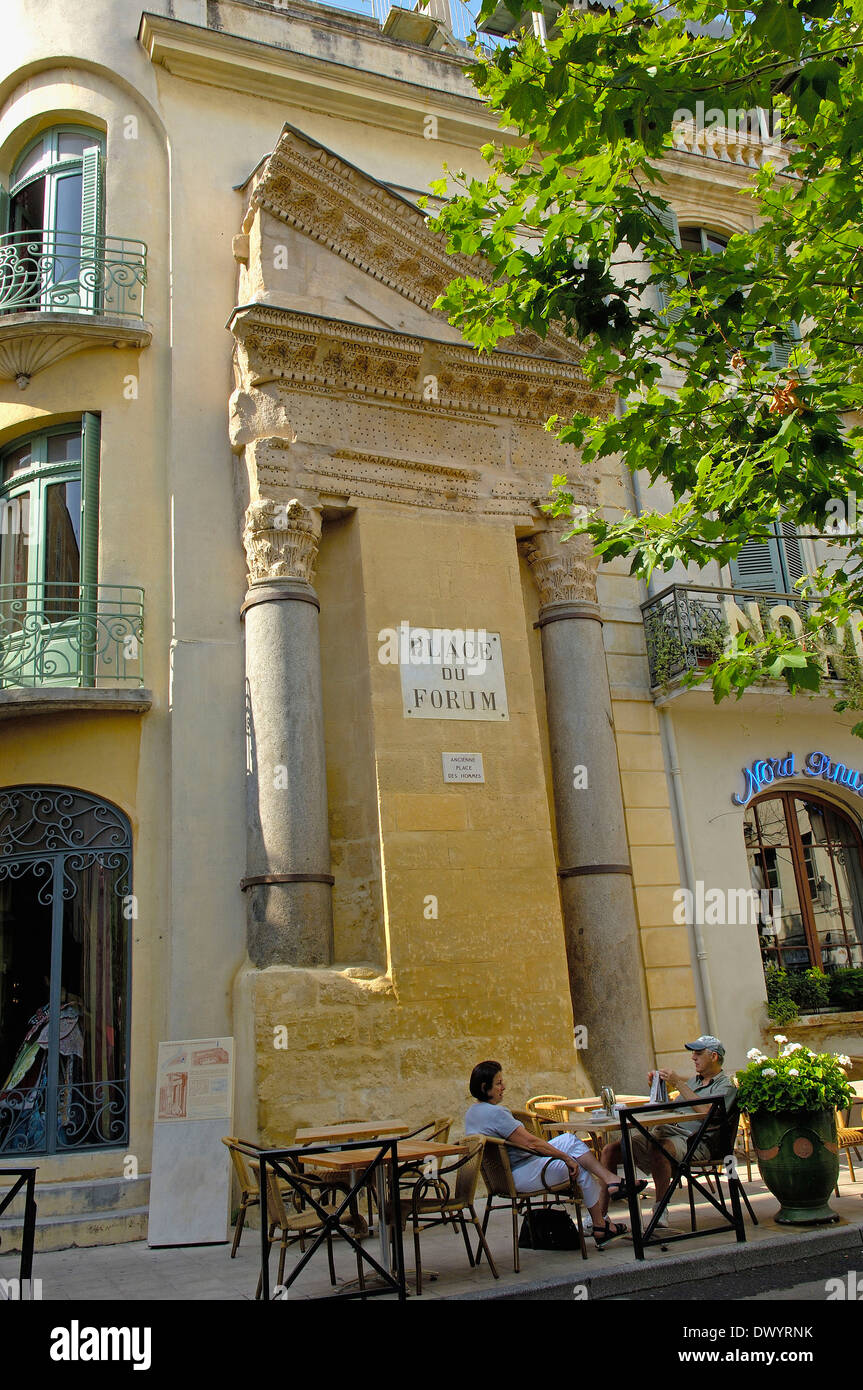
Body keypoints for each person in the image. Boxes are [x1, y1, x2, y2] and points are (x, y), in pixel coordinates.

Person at [464, 1060, 646, 1249]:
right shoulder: (496, 1114)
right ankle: (601, 1224)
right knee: (577, 1164)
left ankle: (610, 1182)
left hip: (503, 1176)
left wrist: (563, 1154)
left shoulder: (472, 1113)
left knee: (569, 1141)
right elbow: (531, 1143)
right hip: (521, 1174)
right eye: (499, 1083)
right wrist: (565, 1158)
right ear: (485, 1087)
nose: (504, 1087)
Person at [599, 1035, 739, 1229]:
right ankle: (600, 1218)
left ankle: (660, 1208)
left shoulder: (725, 1085)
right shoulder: (694, 1082)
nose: (693, 1058)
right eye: (693, 1053)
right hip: (666, 1132)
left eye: (698, 1053)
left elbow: (708, 1113)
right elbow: (670, 1109)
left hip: (694, 1142)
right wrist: (657, 1087)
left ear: (714, 1056)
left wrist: (678, 1083)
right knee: (610, 1151)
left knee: (660, 1149)